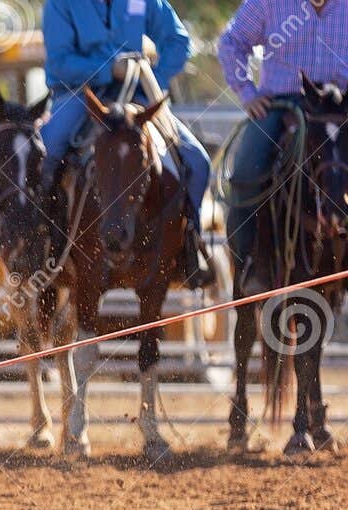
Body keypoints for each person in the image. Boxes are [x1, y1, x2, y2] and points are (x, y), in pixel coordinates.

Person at [41, 0, 211, 286]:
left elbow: (178, 41)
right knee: (45, 151)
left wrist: (154, 78)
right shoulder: (61, 3)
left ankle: (190, 248)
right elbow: (59, 62)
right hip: (80, 97)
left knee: (197, 160)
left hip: (139, 96)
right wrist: (108, 69)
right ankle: (45, 246)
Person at [217, 0, 348, 292]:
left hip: (339, 109)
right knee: (245, 176)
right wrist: (247, 92)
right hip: (281, 104)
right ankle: (250, 265)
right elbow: (231, 42)